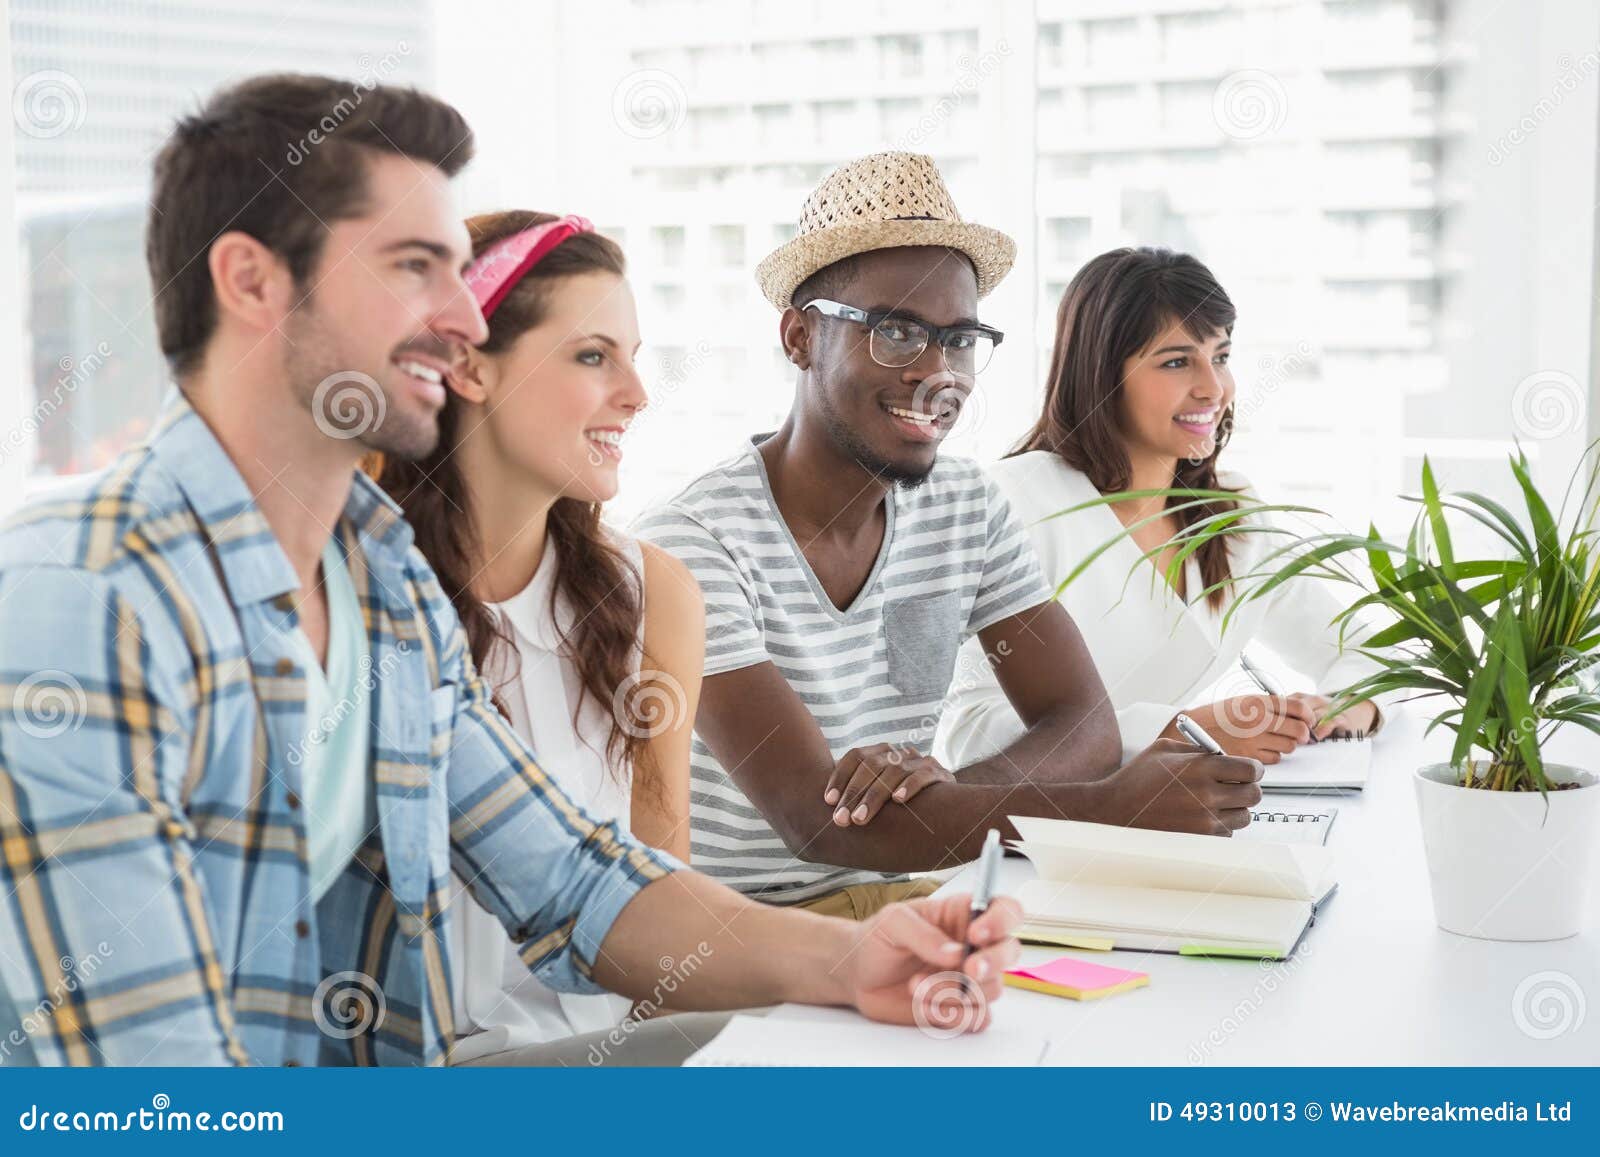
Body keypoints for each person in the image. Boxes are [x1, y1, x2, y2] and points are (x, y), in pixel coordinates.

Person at [0, 75, 1021, 1068]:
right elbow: (151, 1095)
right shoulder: (87, 601)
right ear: (252, 281)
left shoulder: (380, 586)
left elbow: (575, 879)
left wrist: (852, 958)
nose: (462, 315)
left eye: (458, 268)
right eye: (413, 266)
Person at [635, 152, 1263, 920]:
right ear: (799, 337)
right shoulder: (694, 542)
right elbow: (817, 825)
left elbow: (1085, 723)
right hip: (749, 932)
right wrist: (1106, 809)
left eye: (961, 339)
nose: (939, 374)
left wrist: (945, 798)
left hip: (923, 890)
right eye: (896, 332)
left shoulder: (965, 505)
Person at [372, 209, 700, 1063]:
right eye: (594, 355)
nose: (636, 392)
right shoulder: (361, 596)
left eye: (634, 355)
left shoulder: (654, 593)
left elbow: (666, 883)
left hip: (606, 1058)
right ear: (469, 367)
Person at [936, 247, 1382, 772]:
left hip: (1178, 822)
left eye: (1220, 357)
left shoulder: (1234, 514)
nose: (1213, 389)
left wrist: (1343, 707)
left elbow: (1368, 650)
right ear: (1101, 374)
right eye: (1176, 362)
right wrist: (1176, 732)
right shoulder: (1019, 499)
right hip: (1038, 842)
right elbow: (966, 735)